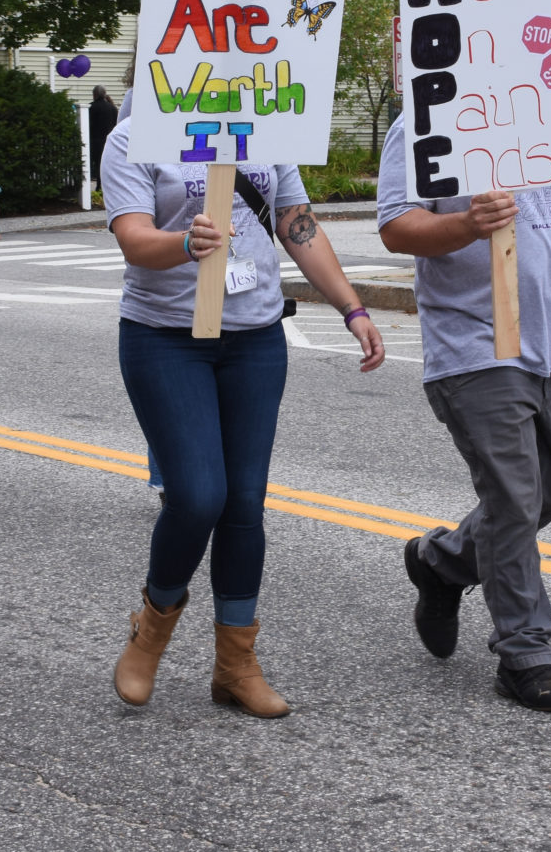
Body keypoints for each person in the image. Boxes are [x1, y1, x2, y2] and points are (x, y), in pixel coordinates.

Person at [102, 122, 386, 717]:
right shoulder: (135, 135)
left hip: (255, 339)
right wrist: (184, 243)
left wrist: (351, 307)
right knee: (199, 495)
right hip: (165, 338)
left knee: (243, 504)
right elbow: (133, 239)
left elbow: (296, 223)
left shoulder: (266, 123)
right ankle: (151, 627)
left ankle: (235, 663)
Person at [377, 118, 551, 713]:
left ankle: (440, 562)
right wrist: (467, 224)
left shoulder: (550, 108)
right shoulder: (425, 113)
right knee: (515, 496)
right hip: (474, 346)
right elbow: (396, 227)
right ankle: (525, 653)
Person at [87, 84, 118, 185]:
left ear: (94, 94)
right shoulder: (113, 108)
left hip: (94, 141)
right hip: (109, 142)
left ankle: (95, 186)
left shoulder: (91, 108)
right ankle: (104, 185)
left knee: (94, 164)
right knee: (106, 165)